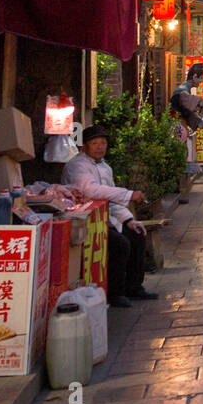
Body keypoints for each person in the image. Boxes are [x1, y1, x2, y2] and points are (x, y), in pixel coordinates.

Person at [61, 125, 157, 308]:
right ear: (84, 146)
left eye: (103, 142)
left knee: (136, 234)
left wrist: (129, 220)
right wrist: (129, 194)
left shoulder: (105, 167)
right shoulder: (77, 165)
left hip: (106, 219)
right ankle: (115, 293)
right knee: (120, 244)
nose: (100, 147)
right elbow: (91, 190)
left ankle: (134, 287)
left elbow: (111, 200)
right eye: (94, 143)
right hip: (84, 222)